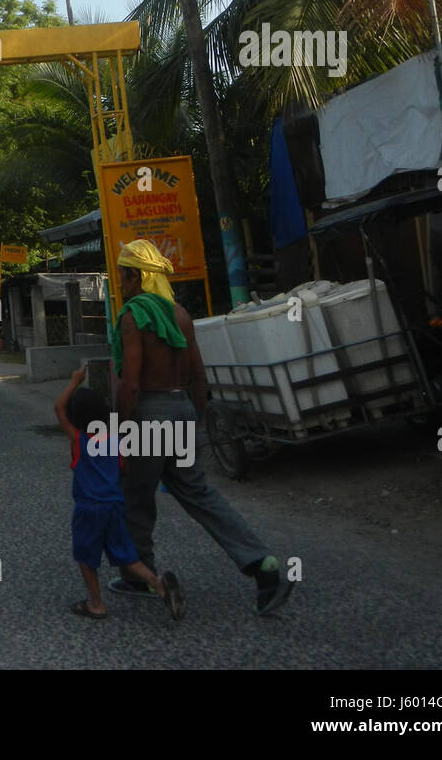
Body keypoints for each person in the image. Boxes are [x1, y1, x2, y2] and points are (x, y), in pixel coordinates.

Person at [109, 239, 296, 616]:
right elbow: (198, 375)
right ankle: (262, 564)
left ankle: (137, 576)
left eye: (123, 275)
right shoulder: (180, 314)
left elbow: (130, 382)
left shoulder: (133, 316)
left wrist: (120, 425)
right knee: (198, 492)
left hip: (149, 410)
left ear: (135, 275)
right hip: (181, 407)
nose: (121, 283)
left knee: (136, 495)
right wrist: (190, 418)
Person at [54, 366, 187, 621]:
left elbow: (58, 409)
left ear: (76, 417)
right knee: (126, 555)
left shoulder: (79, 441)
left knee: (86, 556)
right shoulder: (115, 441)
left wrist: (73, 382)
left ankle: (96, 604)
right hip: (115, 506)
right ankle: (157, 583)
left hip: (89, 509)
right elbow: (123, 468)